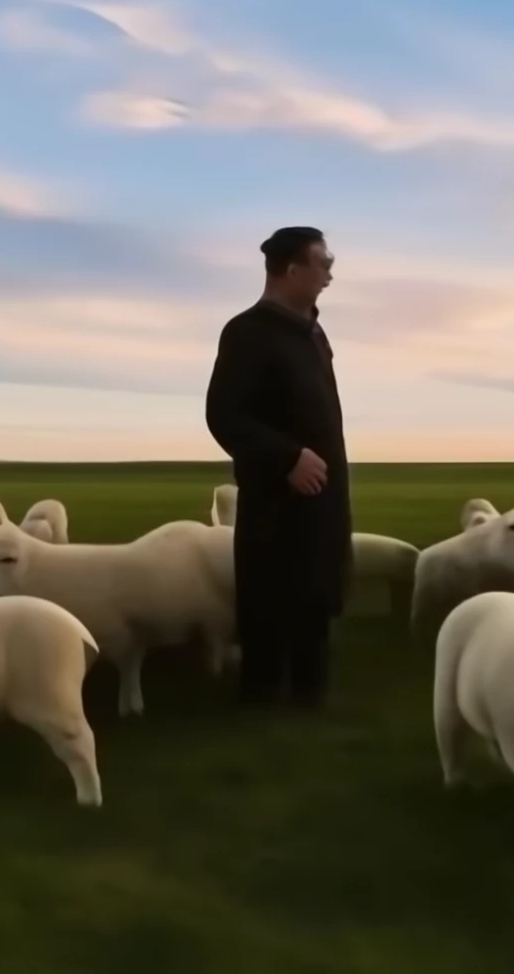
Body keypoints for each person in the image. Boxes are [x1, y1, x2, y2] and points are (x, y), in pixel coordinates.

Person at [205, 226, 352, 708]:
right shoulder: (248, 332)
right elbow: (224, 414)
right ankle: (262, 702)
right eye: (322, 261)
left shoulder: (313, 332)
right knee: (272, 596)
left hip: (323, 495)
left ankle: (311, 701)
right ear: (292, 269)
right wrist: (286, 457)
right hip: (275, 497)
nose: (330, 270)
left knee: (316, 596)